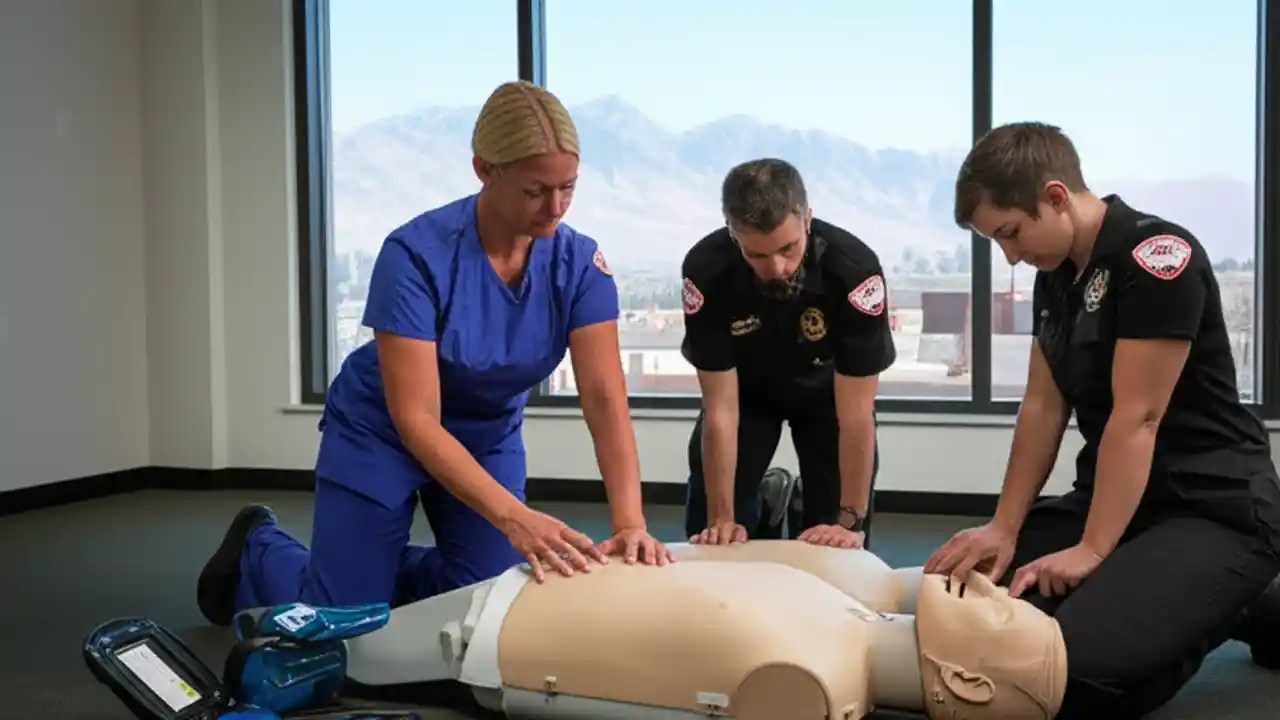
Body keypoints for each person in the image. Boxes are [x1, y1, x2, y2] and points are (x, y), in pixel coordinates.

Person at [196, 80, 673, 627]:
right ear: (484, 169)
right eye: (536, 190)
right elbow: (416, 419)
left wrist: (630, 521)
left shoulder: (580, 265)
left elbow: (605, 399)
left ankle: (367, 567)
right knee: (347, 625)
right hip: (383, 432)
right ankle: (260, 547)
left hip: (484, 436)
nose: (555, 208)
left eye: (568, 187)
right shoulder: (415, 255)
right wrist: (515, 518)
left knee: (490, 606)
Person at [924, 120, 1280, 717]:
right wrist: (1003, 527)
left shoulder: (1157, 257)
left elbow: (1137, 419)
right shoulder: (1055, 277)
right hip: (1119, 502)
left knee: (1070, 675)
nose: (1010, 256)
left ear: (1056, 197)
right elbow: (1042, 406)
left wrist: (1092, 550)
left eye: (1010, 233)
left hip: (1214, 506)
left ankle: (1241, 601)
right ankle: (1213, 592)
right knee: (962, 597)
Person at [340, 540, 1065, 720]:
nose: (982, 586)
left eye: (996, 614)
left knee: (350, 642)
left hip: (497, 633)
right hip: (551, 582)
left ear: (967, 681)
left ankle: (261, 558)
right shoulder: (849, 604)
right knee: (369, 599)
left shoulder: (809, 679)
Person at [679, 158, 895, 549]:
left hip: (828, 396)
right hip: (745, 394)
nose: (776, 268)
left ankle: (803, 507)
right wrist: (721, 519)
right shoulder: (706, 271)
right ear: (733, 233)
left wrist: (850, 521)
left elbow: (857, 415)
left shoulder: (853, 271)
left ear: (807, 219)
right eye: (757, 256)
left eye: (788, 248)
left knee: (839, 543)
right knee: (710, 536)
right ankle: (764, 502)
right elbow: (721, 410)